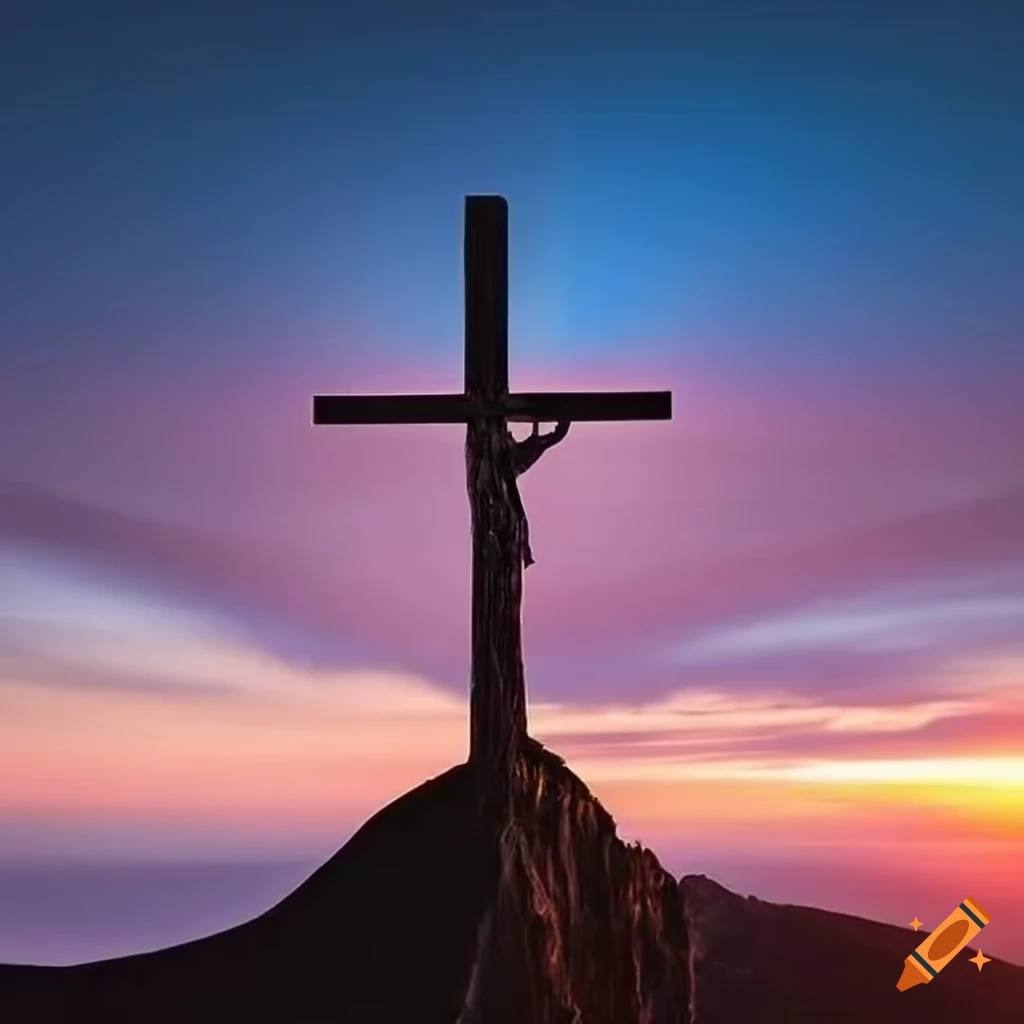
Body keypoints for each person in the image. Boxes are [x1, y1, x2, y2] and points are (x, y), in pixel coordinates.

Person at [506, 421, 571, 567]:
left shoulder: (535, 446)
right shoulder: (535, 446)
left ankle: (525, 552)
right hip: (511, 468)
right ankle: (525, 552)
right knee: (520, 517)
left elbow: (521, 517)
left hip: (512, 468)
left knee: (520, 517)